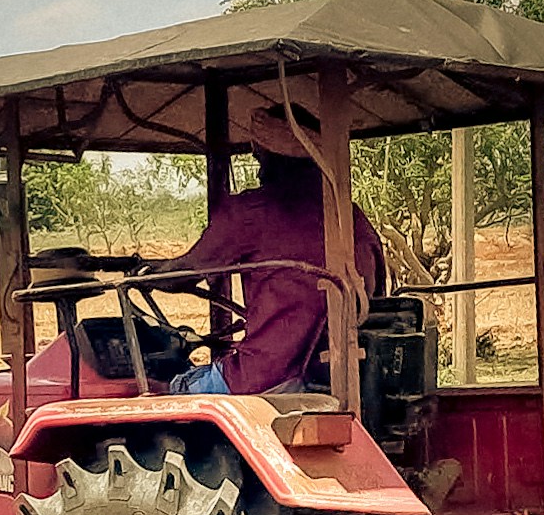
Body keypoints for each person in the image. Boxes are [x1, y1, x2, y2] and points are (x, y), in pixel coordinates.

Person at [152, 107, 384, 395]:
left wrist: (147, 274)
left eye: (260, 158)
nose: (259, 171)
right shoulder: (355, 220)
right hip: (345, 377)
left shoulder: (252, 212)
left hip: (267, 377)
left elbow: (183, 275)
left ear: (275, 159)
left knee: (162, 392)